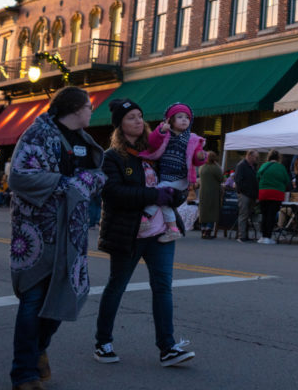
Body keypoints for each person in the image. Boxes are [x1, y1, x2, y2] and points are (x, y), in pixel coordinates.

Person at [8, 87, 105, 390]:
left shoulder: (85, 141)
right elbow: (19, 176)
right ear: (76, 108)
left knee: (65, 298)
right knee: (33, 301)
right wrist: (69, 184)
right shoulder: (38, 135)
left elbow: (93, 177)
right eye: (89, 107)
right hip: (39, 234)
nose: (92, 112)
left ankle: (38, 351)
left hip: (73, 234)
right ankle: (24, 374)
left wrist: (94, 180)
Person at [94, 98, 194, 368]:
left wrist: (177, 193)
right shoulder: (112, 157)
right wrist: (154, 194)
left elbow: (174, 178)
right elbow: (113, 193)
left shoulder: (158, 150)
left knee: (163, 287)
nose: (138, 121)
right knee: (117, 286)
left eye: (140, 115)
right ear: (119, 126)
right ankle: (103, 341)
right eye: (131, 118)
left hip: (160, 233)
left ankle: (168, 347)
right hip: (128, 233)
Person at [147, 103, 206, 242]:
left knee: (158, 195)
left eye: (187, 117)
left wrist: (201, 156)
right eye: (180, 117)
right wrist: (161, 131)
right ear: (170, 120)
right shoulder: (164, 133)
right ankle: (173, 229)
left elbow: (196, 155)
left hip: (180, 177)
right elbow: (152, 143)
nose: (184, 119)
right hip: (165, 175)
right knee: (165, 202)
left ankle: (145, 217)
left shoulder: (192, 138)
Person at [256, 150, 290, 245]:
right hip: (276, 194)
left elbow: (257, 176)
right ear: (279, 158)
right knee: (271, 215)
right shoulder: (281, 167)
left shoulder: (264, 166)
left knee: (264, 215)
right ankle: (268, 237)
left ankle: (263, 236)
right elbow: (287, 180)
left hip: (263, 192)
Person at [234, 149, 260, 242]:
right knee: (243, 214)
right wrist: (243, 191)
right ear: (249, 156)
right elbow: (238, 180)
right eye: (255, 157)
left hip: (252, 194)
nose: (257, 159)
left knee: (248, 215)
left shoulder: (253, 166)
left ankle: (245, 234)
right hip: (245, 194)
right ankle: (242, 236)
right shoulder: (241, 166)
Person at [196, 151, 223, 239]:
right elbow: (221, 178)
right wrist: (218, 166)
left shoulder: (202, 167)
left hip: (202, 191)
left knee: (203, 211)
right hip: (213, 192)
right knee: (212, 211)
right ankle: (208, 231)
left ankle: (203, 230)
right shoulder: (215, 168)